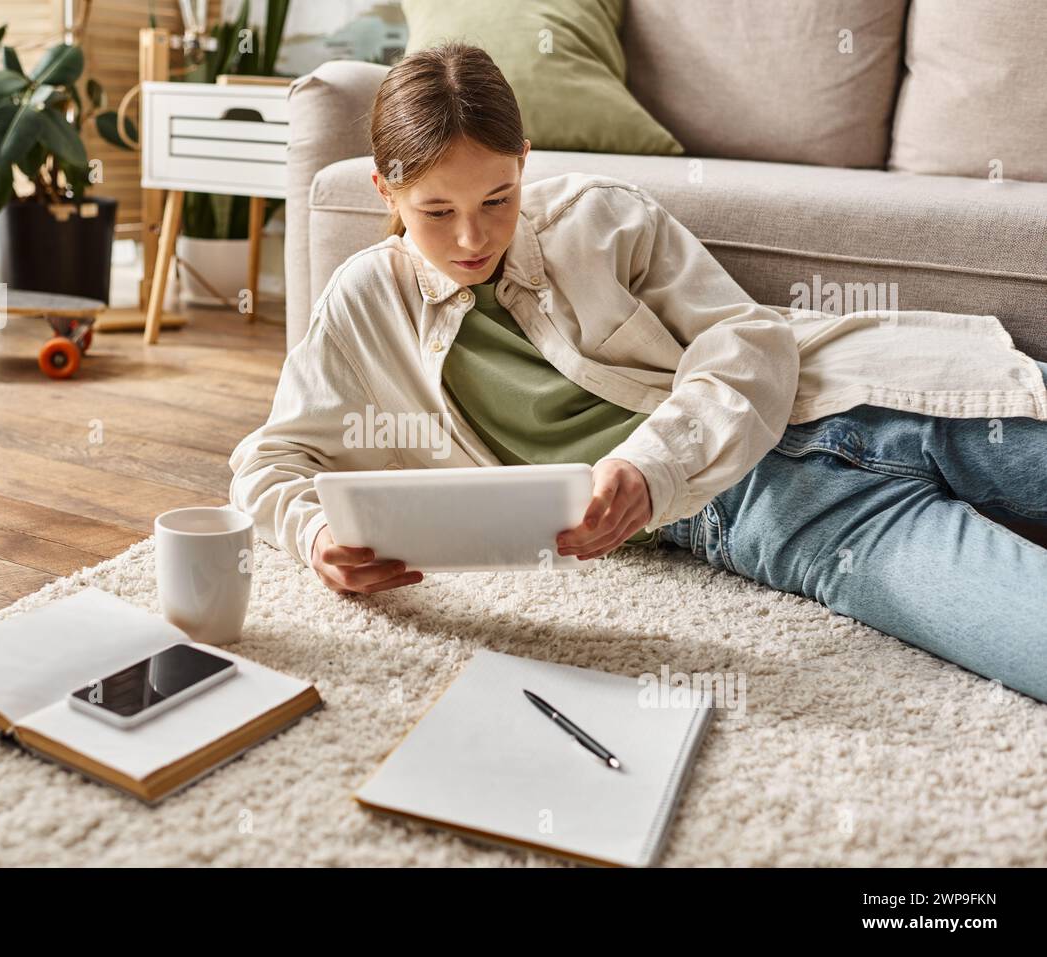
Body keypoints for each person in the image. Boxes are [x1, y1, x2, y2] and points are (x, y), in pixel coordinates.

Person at [229, 42, 1047, 702]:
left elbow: (748, 341)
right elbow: (268, 460)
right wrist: (313, 535)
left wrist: (648, 464)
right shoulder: (365, 301)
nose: (474, 237)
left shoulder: (598, 215)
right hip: (783, 523)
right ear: (386, 190)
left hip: (866, 397)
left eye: (499, 198)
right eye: (437, 212)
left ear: (524, 162)